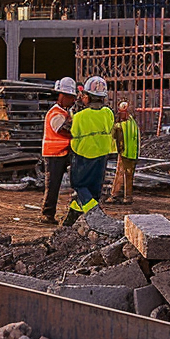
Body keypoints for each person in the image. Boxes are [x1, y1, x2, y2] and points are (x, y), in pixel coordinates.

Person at [63, 75, 115, 226]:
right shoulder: (108, 113)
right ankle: (71, 218)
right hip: (102, 154)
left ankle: (95, 214)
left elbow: (71, 131)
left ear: (87, 97)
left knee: (79, 186)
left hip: (83, 155)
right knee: (93, 189)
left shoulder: (79, 116)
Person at [39, 77, 77, 224]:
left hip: (63, 152)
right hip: (53, 154)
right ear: (62, 96)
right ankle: (47, 213)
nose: (72, 101)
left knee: (72, 183)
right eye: (71, 97)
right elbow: (63, 131)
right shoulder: (55, 113)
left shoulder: (64, 112)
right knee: (53, 186)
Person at [108, 101, 139, 205]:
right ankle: (127, 197)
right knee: (129, 176)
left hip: (125, 152)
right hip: (133, 153)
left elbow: (112, 134)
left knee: (120, 173)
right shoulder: (133, 123)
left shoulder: (120, 126)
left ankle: (114, 195)